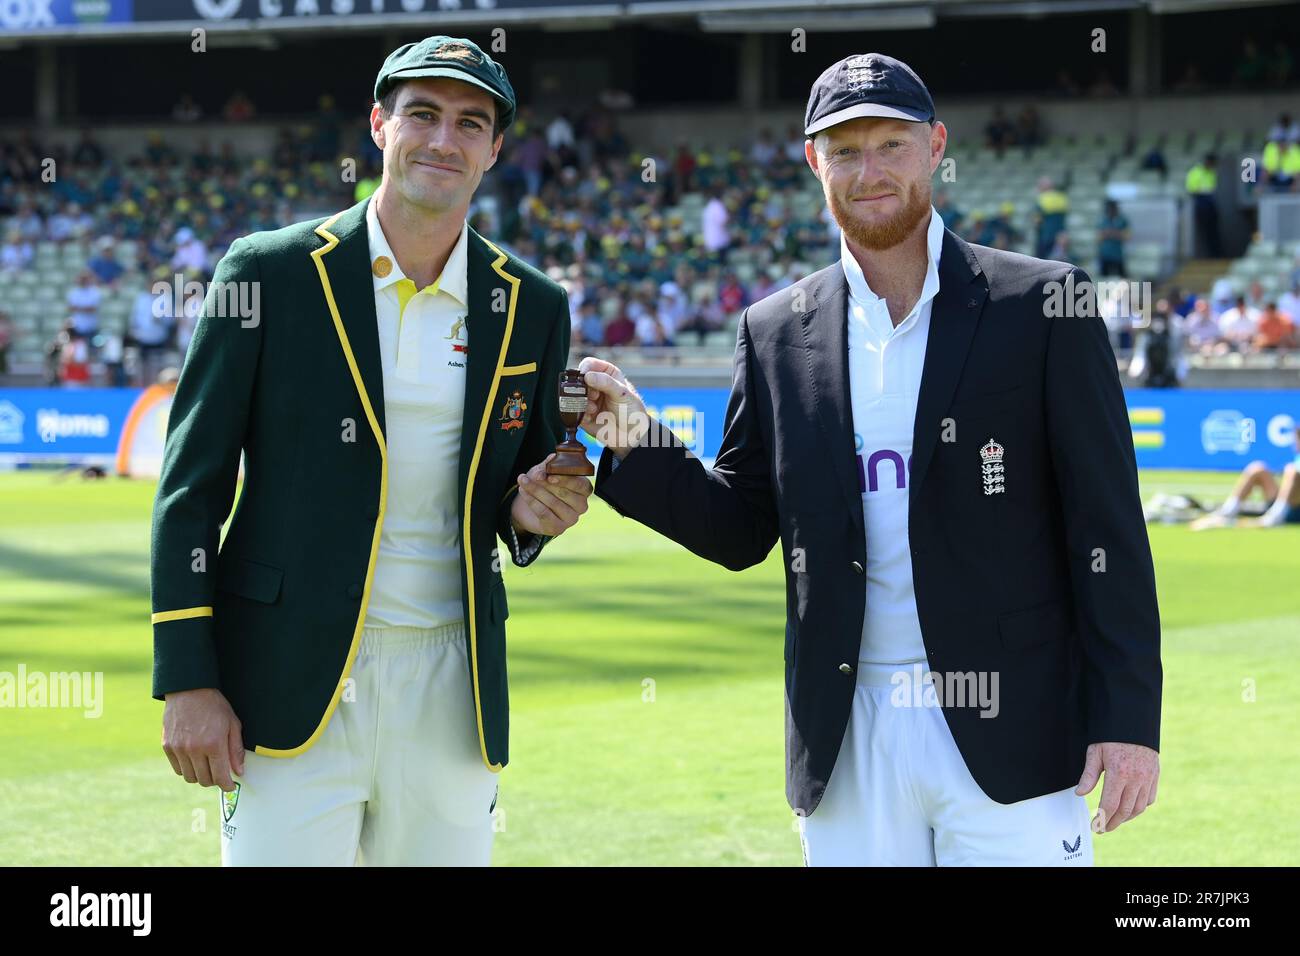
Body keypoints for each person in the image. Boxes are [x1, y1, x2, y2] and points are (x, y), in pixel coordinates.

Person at [580, 52, 1160, 866]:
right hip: (845, 735)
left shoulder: (1043, 303)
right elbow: (742, 526)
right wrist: (634, 436)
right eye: (845, 151)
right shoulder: (774, 329)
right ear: (814, 162)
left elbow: (1108, 528)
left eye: (891, 144)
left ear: (935, 146)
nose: (870, 170)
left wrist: (1128, 721)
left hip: (1016, 727)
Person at [151, 35, 592, 868]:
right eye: (421, 114)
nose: (443, 139)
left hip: (453, 689)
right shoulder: (268, 272)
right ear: (379, 125)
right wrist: (187, 677)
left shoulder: (533, 303)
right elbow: (191, 488)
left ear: (495, 150)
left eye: (470, 123)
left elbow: (516, 496)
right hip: (287, 681)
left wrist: (534, 513)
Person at [1191, 428, 1300, 529]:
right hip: (1286, 505)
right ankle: (1227, 511)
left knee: (1292, 470)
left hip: (1295, 511)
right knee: (1258, 469)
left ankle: (1275, 517)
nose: (1295, 444)